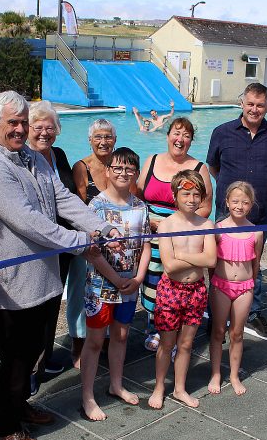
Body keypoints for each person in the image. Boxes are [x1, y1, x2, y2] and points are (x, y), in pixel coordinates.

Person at [0, 91, 120, 440]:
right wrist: (83, 241)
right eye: (13, 123)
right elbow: (30, 223)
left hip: (46, 280)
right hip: (15, 288)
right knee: (15, 361)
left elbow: (63, 200)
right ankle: (5, 427)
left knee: (36, 351)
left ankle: (20, 406)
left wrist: (101, 226)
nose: (20, 129)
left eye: (23, 121)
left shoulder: (32, 158)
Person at [207, 82, 267, 338]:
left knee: (254, 262)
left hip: (259, 212)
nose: (254, 109)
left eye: (260, 105)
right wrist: (234, 198)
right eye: (250, 104)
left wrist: (257, 195)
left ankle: (251, 312)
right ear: (242, 103)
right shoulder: (222, 132)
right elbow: (213, 168)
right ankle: (216, 312)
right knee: (219, 260)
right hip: (226, 212)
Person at [80, 147, 151, 421]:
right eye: (117, 168)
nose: (123, 173)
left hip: (129, 287)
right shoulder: (96, 207)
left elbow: (145, 246)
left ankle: (116, 384)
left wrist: (139, 278)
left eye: (129, 169)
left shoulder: (139, 206)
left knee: (121, 336)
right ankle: (87, 396)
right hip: (100, 288)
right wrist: (117, 279)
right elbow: (91, 252)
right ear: (108, 171)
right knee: (96, 341)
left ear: (135, 173)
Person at [137, 118, 213, 352]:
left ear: (191, 140)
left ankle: (177, 330)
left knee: (176, 279)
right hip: (151, 232)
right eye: (176, 133)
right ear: (167, 135)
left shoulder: (200, 168)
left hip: (181, 234)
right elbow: (137, 198)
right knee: (152, 281)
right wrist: (149, 221)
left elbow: (206, 206)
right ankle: (154, 327)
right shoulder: (151, 161)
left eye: (186, 135)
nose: (180, 139)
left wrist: (175, 224)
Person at [149, 170, 217, 410]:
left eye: (196, 194)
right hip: (170, 291)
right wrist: (196, 257)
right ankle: (159, 387)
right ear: (175, 195)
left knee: (186, 344)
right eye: (186, 193)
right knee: (167, 344)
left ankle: (179, 388)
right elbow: (169, 265)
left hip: (196, 290)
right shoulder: (166, 225)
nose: (191, 199)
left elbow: (211, 260)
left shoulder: (206, 224)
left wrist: (182, 255)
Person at [27, 101, 72, 383]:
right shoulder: (22, 159)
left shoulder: (58, 154)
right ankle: (32, 365)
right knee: (35, 308)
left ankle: (44, 355)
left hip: (64, 244)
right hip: (38, 246)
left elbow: (67, 197)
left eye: (50, 127)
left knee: (54, 302)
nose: (45, 133)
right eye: (38, 127)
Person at [68, 119, 117, 367]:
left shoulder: (119, 165)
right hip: (88, 241)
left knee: (108, 291)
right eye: (98, 136)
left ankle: (105, 341)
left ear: (115, 140)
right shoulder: (81, 167)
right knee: (79, 292)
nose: (103, 141)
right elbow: (76, 207)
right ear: (90, 140)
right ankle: (78, 343)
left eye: (108, 136)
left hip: (116, 242)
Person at [208, 181, 262, 396]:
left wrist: (249, 284)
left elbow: (256, 264)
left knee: (237, 333)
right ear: (227, 202)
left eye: (245, 202)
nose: (240, 206)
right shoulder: (218, 229)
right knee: (218, 331)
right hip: (221, 286)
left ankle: (233, 374)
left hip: (245, 288)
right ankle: (215, 373)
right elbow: (212, 263)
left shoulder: (256, 232)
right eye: (236, 201)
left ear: (251, 205)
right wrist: (214, 283)